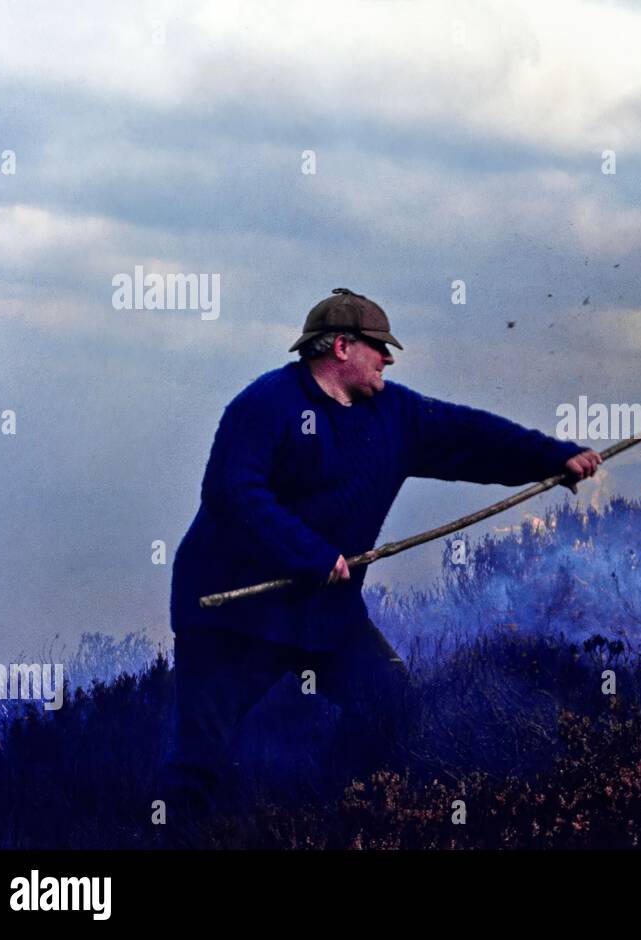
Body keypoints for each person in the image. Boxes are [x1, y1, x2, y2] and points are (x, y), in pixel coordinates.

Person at [159, 287, 601, 846]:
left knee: (389, 702)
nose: (389, 359)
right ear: (341, 347)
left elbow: (470, 438)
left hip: (323, 613)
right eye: (379, 347)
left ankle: (332, 819)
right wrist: (311, 553)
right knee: (201, 752)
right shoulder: (263, 406)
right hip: (233, 613)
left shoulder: (395, 415)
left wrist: (552, 456)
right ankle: (166, 840)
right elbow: (233, 492)